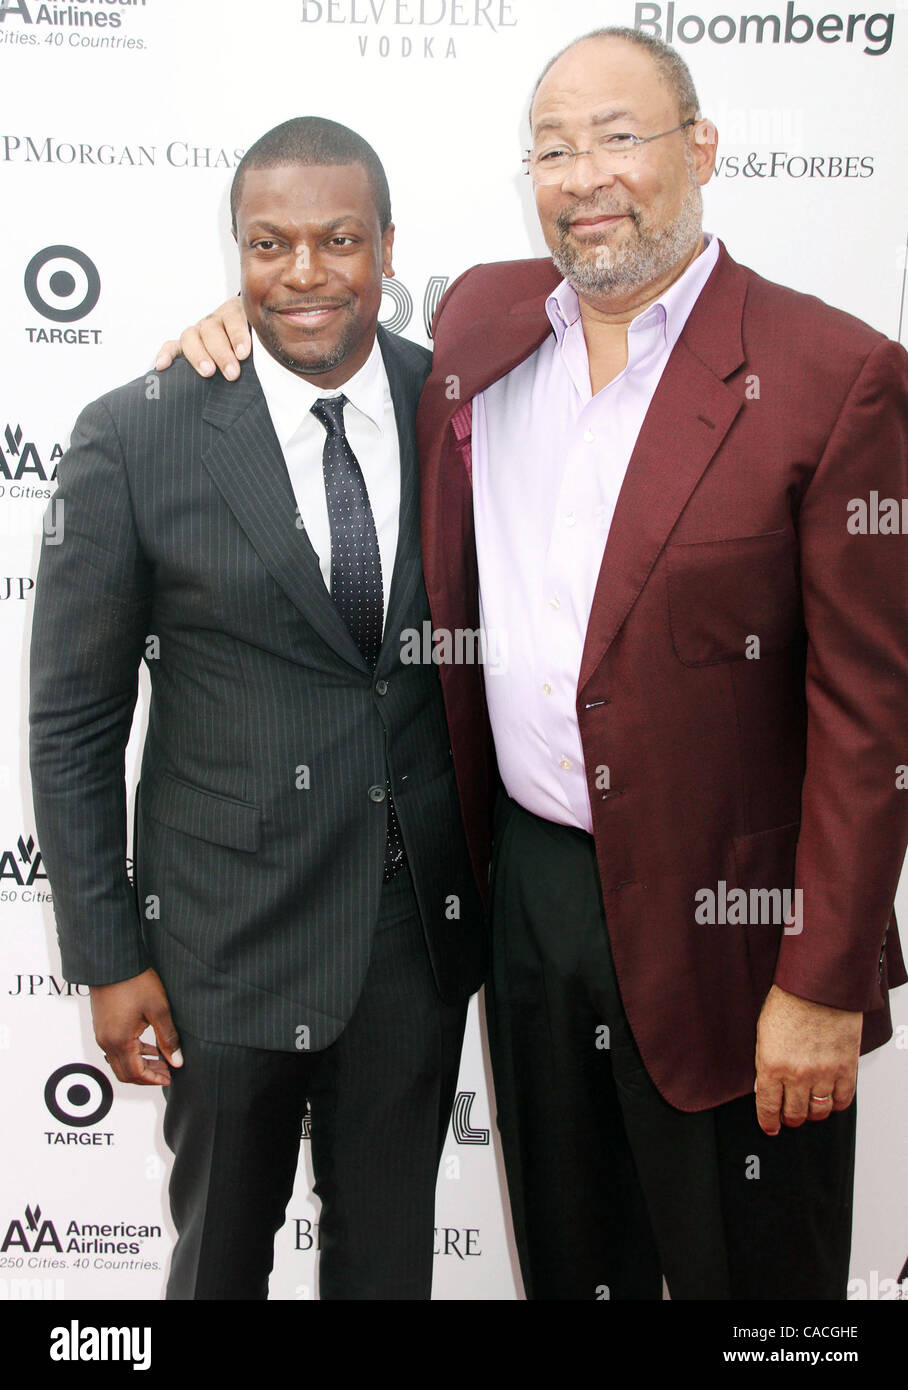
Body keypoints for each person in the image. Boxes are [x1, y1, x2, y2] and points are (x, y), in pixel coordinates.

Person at [158, 30, 908, 1300]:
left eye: (619, 136)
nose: (584, 176)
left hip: (731, 924)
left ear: (700, 149)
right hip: (530, 894)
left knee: (759, 1291)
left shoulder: (834, 376)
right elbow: (329, 334)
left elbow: (869, 713)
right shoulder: (483, 321)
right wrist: (244, 329)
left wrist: (822, 978)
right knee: (573, 1263)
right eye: (553, 149)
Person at [29, 116, 485, 1302]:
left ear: (390, 246)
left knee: (386, 1266)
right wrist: (107, 953)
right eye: (268, 244)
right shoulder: (139, 433)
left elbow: (588, 279)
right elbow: (74, 719)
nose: (303, 274)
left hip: (408, 935)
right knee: (218, 1261)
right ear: (234, 251)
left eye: (339, 239)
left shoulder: (461, 408)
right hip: (218, 942)